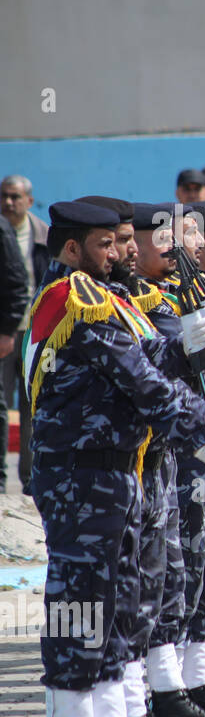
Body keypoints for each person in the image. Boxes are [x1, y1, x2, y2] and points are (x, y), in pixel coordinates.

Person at [27, 200, 205, 717]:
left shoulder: (108, 303)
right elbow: (143, 385)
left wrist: (185, 344)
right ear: (73, 248)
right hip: (83, 476)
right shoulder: (75, 302)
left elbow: (148, 358)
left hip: (116, 471)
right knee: (81, 603)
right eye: (109, 243)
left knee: (125, 599)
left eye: (125, 241)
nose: (125, 251)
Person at [1, 175, 48, 493]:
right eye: (4, 196)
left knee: (33, 405)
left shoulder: (44, 235)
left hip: (36, 333)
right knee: (2, 402)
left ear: (29, 201)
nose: (8, 202)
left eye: (15, 197)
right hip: (6, 332)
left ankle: (30, 480)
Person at [0, 213, 28, 493]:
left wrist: (7, 331)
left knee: (18, 406)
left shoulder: (2, 229)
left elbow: (18, 284)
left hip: (17, 333)